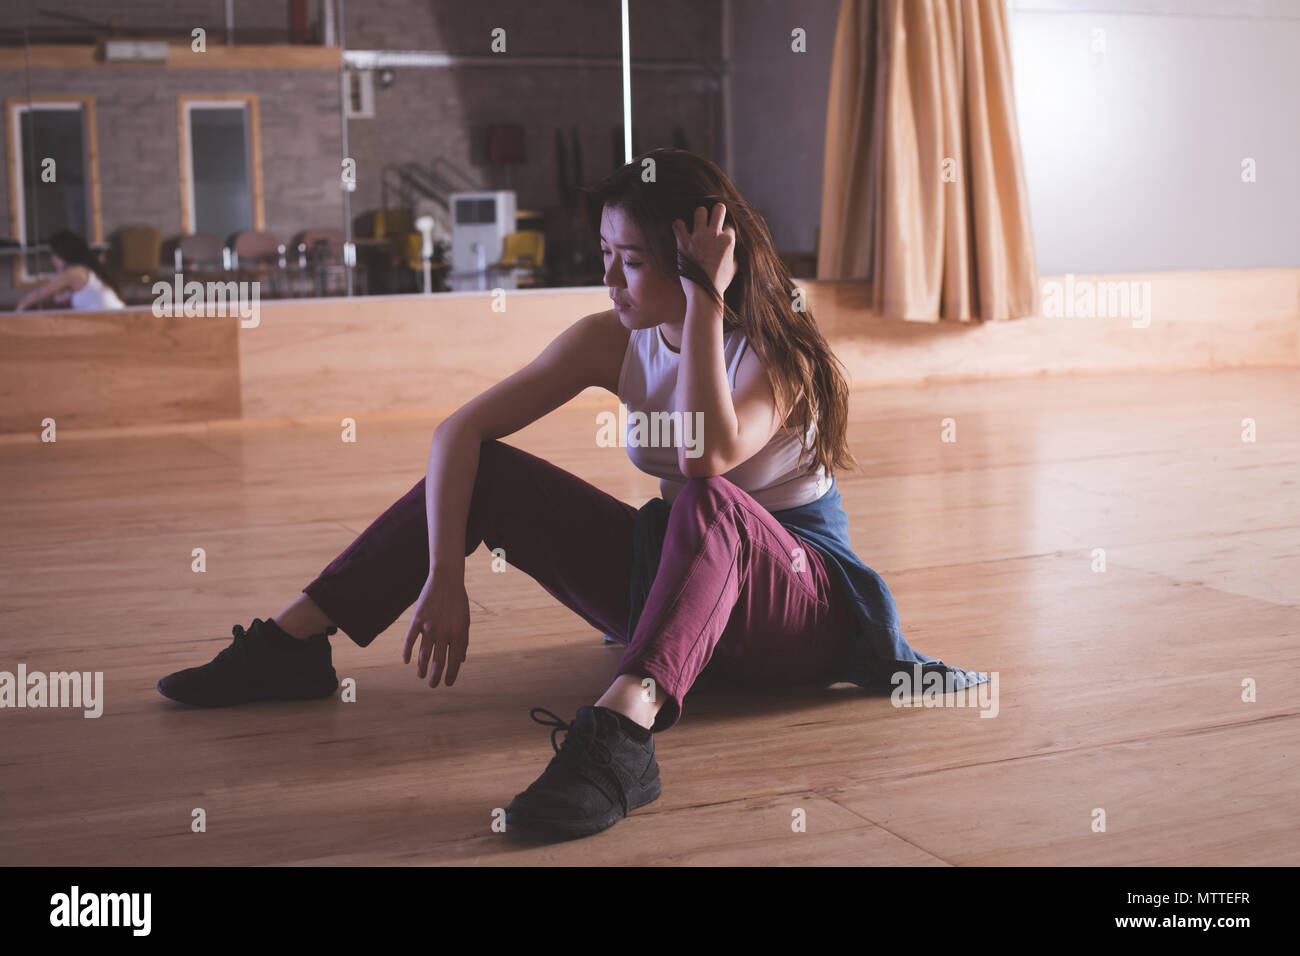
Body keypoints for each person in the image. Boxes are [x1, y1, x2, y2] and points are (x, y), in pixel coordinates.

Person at [157, 147, 988, 841]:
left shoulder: (775, 354)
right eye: (604, 254)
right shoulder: (609, 339)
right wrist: (446, 570)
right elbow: (460, 434)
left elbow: (705, 459)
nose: (610, 278)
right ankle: (296, 642)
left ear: (697, 262)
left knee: (703, 502)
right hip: (684, 589)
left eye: (630, 261)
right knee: (502, 471)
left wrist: (703, 305)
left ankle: (623, 733)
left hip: (798, 609)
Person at [15, 230, 125, 311]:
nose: (52, 259)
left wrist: (20, 308)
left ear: (63, 253)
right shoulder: (84, 271)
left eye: (54, 254)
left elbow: (31, 299)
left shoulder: (73, 273)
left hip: (113, 321)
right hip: (113, 319)